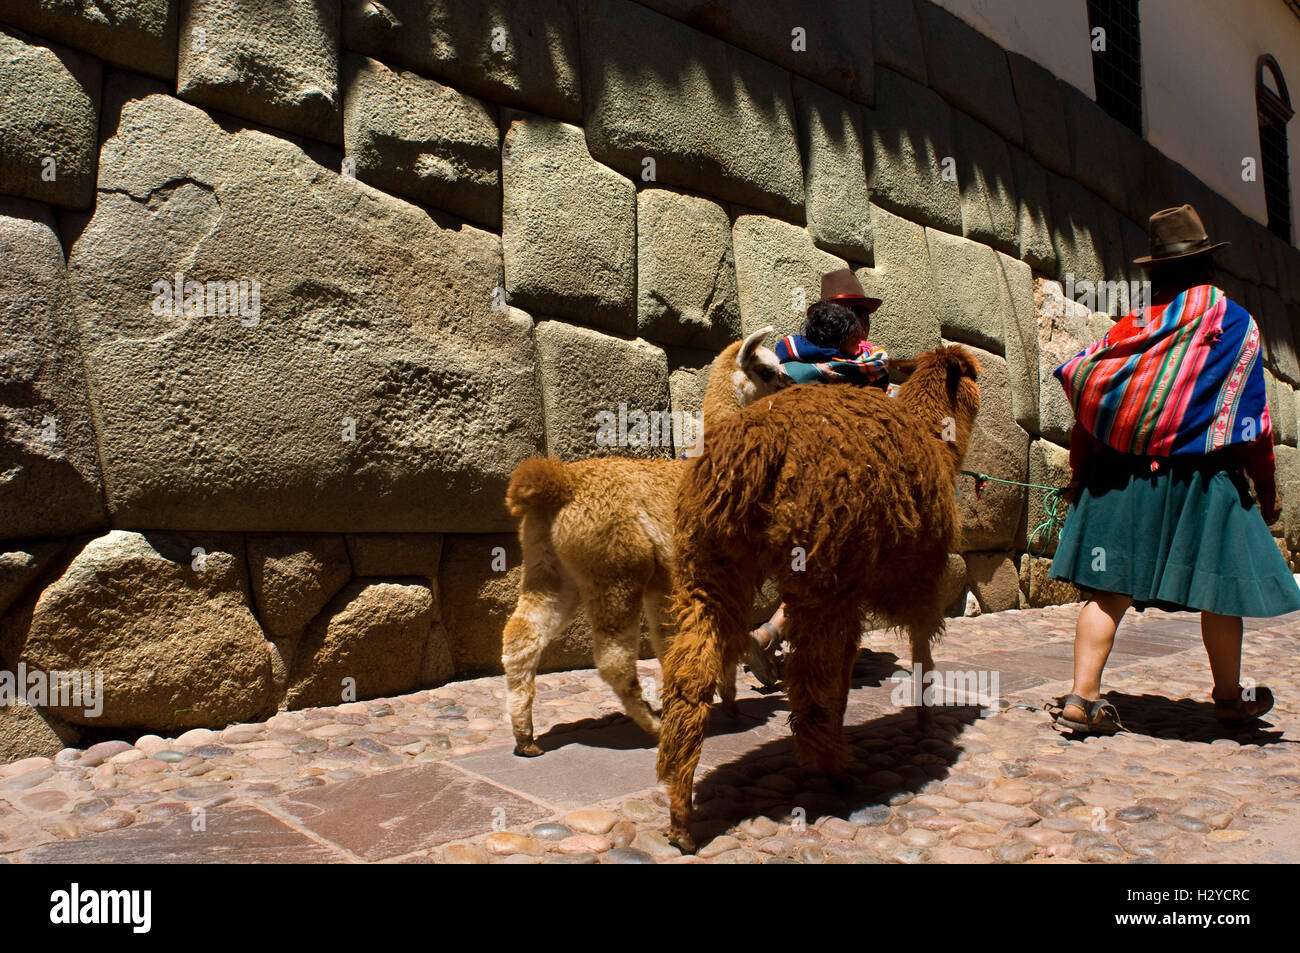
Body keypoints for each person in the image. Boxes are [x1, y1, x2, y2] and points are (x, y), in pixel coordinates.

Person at [1046, 204, 1300, 734]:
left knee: (1108, 589)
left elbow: (1091, 406)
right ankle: (1229, 699)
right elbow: (1254, 423)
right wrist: (1268, 493)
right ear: (1208, 268)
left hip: (1121, 479)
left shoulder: (1130, 329)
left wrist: (1080, 473)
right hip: (1205, 481)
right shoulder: (1234, 325)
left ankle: (1082, 698)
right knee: (1221, 590)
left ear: (1156, 274)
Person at [747, 270, 886, 687]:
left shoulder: (784, 358)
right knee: (837, 565)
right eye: (861, 314)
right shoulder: (866, 367)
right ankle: (799, 646)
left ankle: (773, 634)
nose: (866, 326)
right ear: (847, 319)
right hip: (838, 479)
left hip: (788, 477)